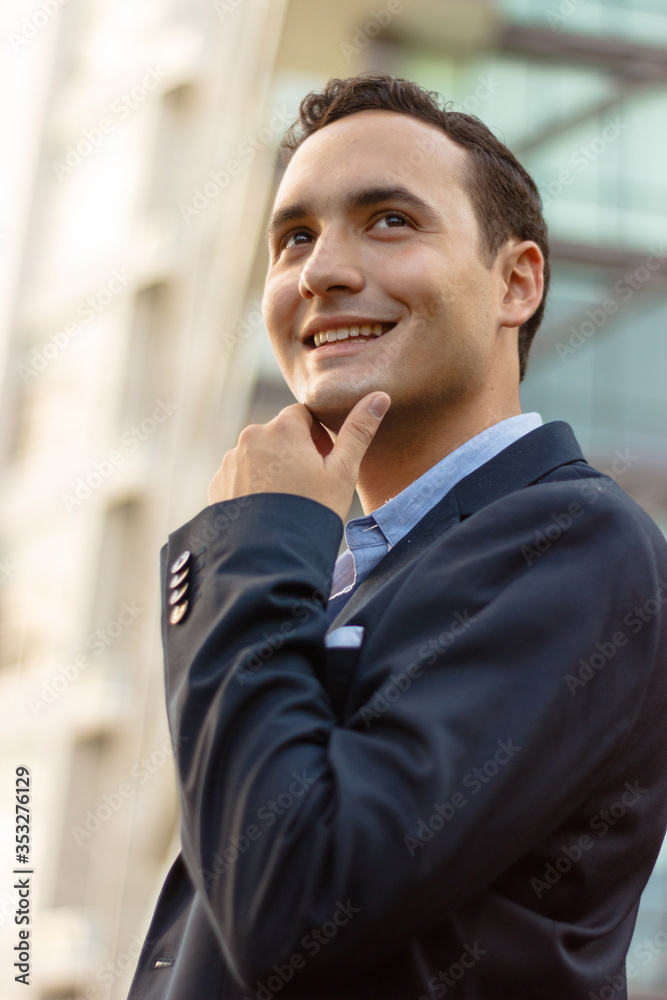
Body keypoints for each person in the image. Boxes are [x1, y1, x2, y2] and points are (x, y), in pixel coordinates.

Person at [127, 74, 667, 1000]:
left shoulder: (573, 541)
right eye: (294, 237)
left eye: (388, 221)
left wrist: (254, 541)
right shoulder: (341, 569)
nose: (321, 271)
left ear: (516, 282)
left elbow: (291, 899)